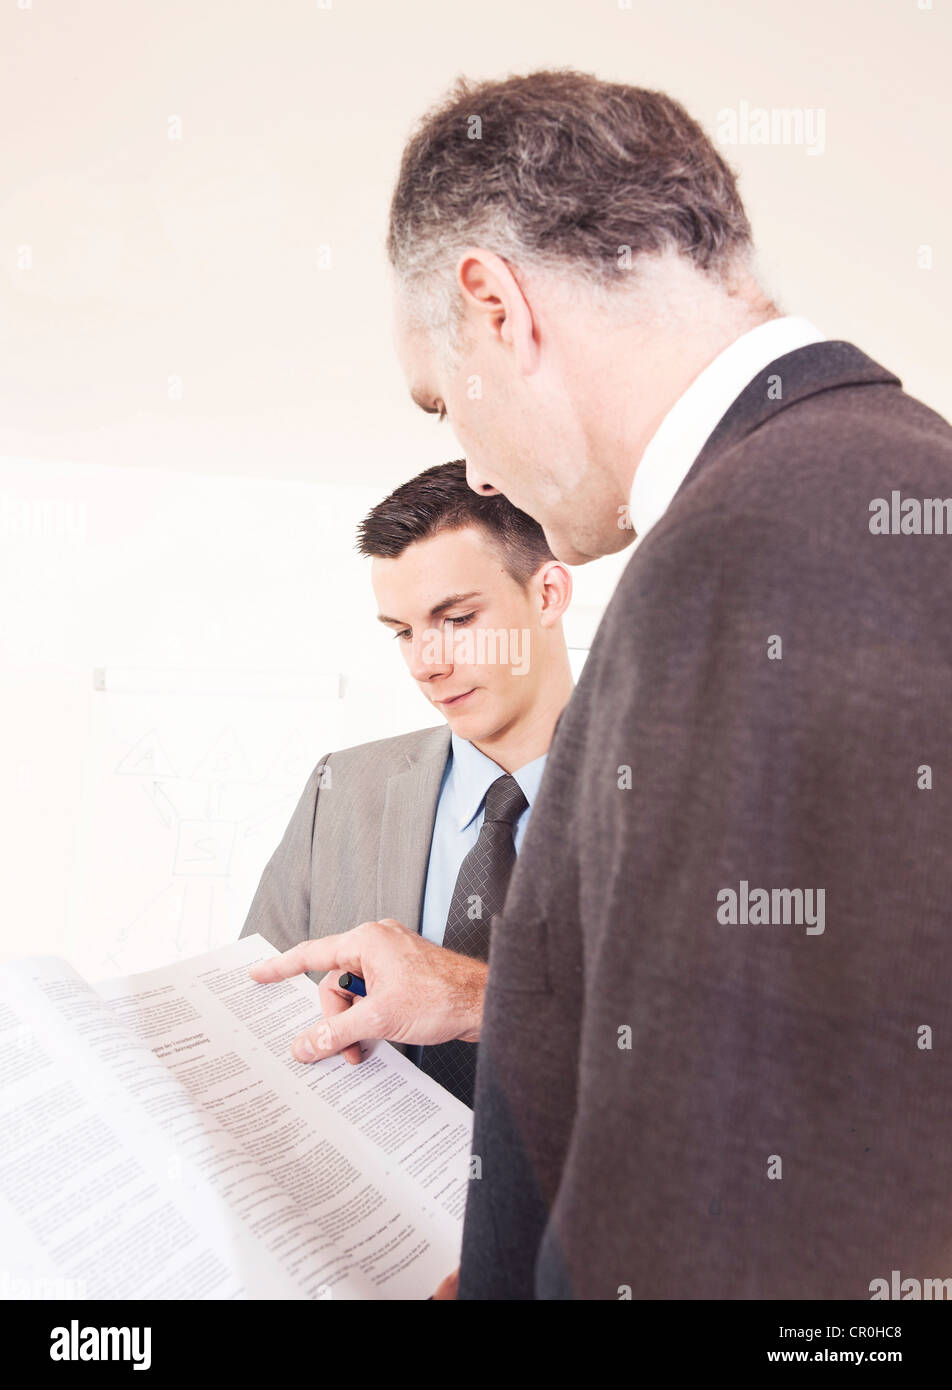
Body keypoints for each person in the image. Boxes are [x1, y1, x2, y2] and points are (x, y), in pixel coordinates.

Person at [251, 71, 952, 1298]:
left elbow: (728, 1191)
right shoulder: (878, 477)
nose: (472, 457)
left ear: (491, 303)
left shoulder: (749, 544)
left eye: (442, 399)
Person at [240, 458, 574, 1106]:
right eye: (402, 632)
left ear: (548, 595)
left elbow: (729, 1043)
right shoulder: (341, 789)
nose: (427, 663)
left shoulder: (682, 799)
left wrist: (478, 997)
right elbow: (256, 1009)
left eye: (457, 619)